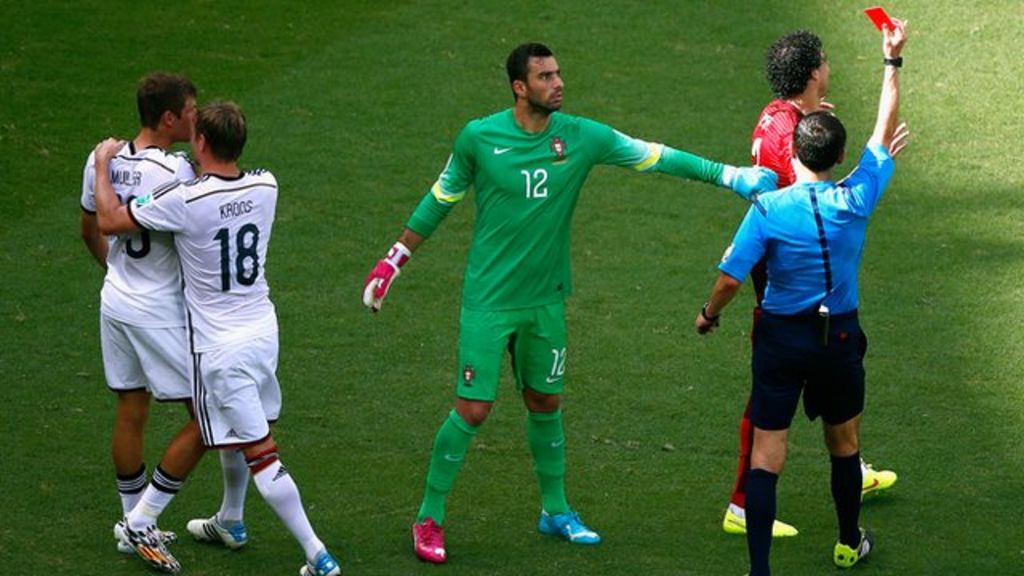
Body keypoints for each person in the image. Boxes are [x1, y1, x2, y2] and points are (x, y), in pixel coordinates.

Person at [362, 42, 778, 564]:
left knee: (545, 401)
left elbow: (654, 155)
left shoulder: (579, 137)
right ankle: (429, 516)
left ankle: (555, 510)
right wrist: (393, 259)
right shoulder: (479, 137)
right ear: (520, 87)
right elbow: (442, 196)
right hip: (489, 300)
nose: (557, 83)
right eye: (544, 77)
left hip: (546, 301)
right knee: (473, 407)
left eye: (558, 74)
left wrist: (729, 175)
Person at [695, 19, 909, 575]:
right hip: (835, 332)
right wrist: (893, 64)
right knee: (843, 444)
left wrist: (708, 314)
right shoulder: (855, 198)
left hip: (780, 327)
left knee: (771, 450)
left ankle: (758, 566)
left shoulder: (769, 205)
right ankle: (845, 540)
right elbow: (880, 140)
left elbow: (727, 278)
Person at [91, 102, 341, 576]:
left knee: (249, 447)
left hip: (218, 347)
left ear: (200, 143)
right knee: (235, 429)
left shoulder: (183, 200)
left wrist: (104, 165)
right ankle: (231, 519)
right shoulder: (267, 185)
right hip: (263, 333)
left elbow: (110, 221)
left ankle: (318, 556)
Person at [79, 72, 249, 555]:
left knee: (131, 407)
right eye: (192, 110)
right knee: (213, 415)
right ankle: (144, 520)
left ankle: (131, 519)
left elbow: (91, 228)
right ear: (171, 117)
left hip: (116, 299)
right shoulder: (177, 173)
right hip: (160, 311)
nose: (198, 118)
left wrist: (115, 272)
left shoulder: (100, 160)